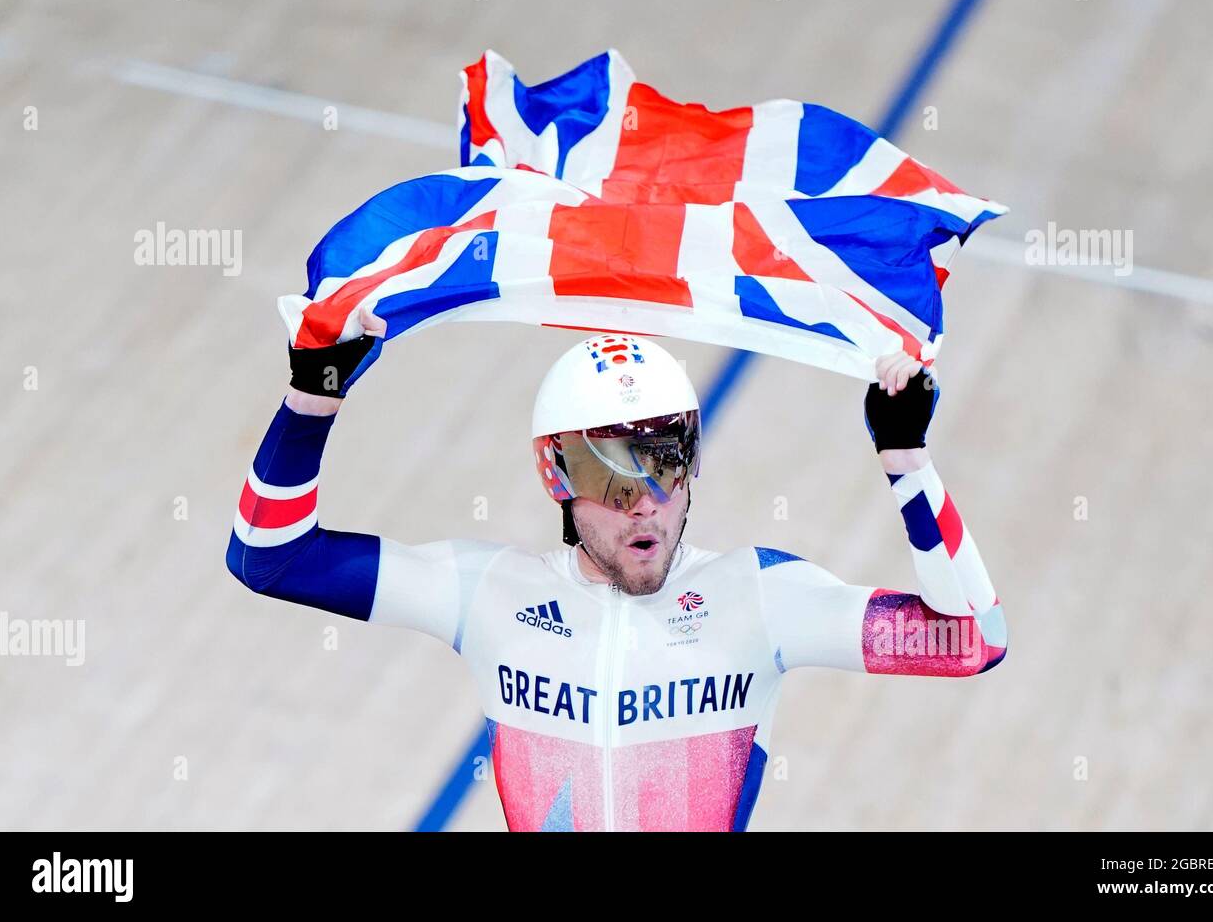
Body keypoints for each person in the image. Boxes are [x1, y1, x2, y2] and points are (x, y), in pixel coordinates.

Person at [226, 318, 1006, 831]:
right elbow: (269, 557)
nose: (646, 507)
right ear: (554, 477)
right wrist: (310, 402)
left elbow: (972, 639)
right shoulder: (489, 595)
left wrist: (908, 463)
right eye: (612, 478)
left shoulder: (760, 599)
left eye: (667, 466)